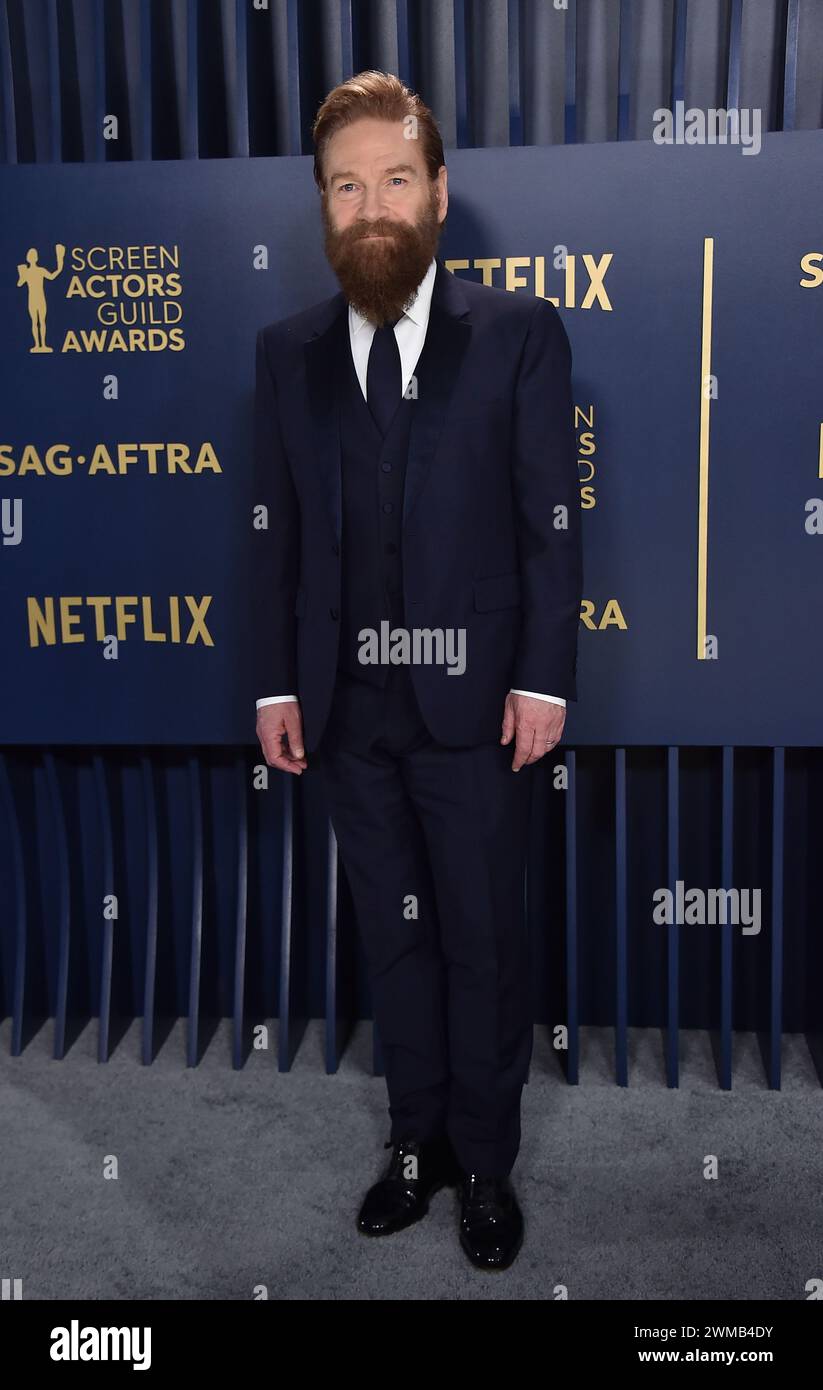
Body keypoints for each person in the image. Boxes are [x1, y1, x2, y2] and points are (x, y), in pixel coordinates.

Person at [253, 70, 583, 1271]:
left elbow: (552, 521)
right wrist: (276, 684)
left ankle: (485, 1165)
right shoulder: (284, 353)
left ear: (438, 193)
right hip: (347, 711)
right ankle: (416, 1147)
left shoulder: (517, 335)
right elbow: (274, 534)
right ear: (326, 211)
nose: (372, 204)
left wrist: (544, 678)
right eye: (347, 187)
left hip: (478, 705)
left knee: (482, 936)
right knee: (393, 940)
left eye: (396, 178)